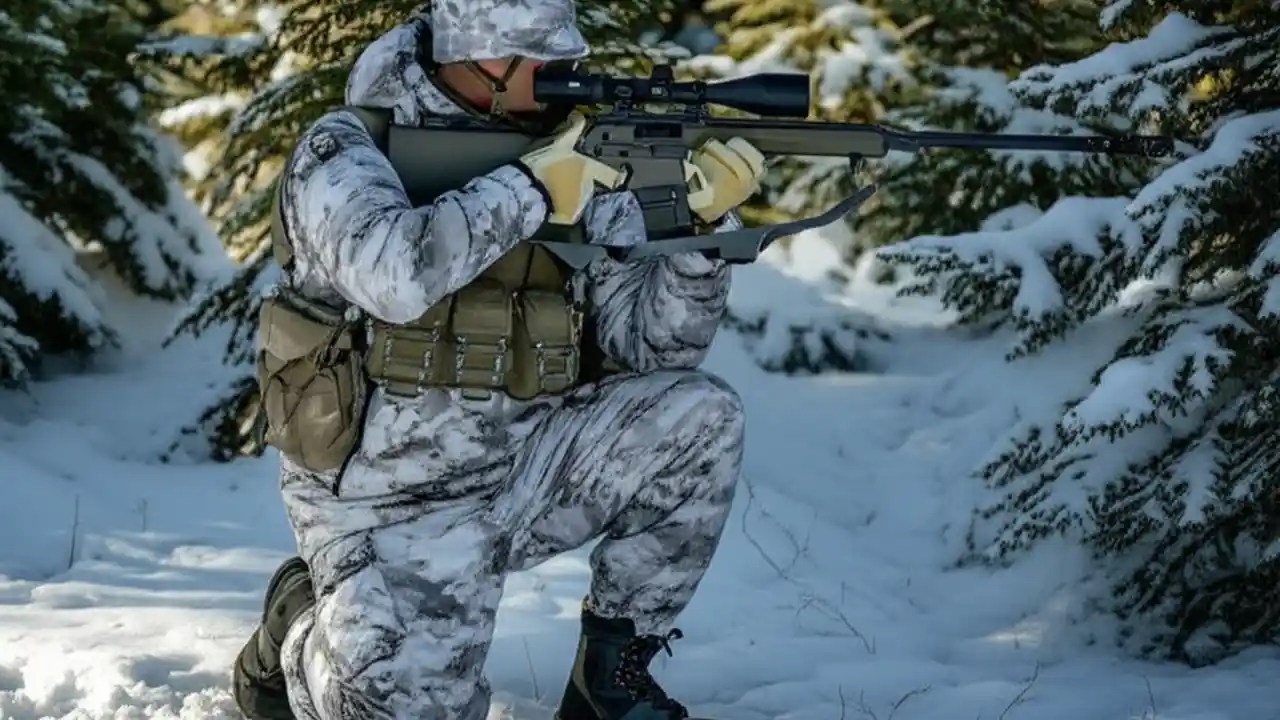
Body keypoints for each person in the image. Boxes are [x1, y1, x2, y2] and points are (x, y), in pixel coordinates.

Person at [232, 1, 766, 718]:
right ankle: (299, 626)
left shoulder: (573, 158)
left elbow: (655, 349)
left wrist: (697, 237)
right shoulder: (348, 150)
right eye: (547, 65)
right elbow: (394, 273)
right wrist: (533, 186)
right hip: (384, 501)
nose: (566, 78)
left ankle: (610, 681)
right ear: (477, 57)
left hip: (527, 468)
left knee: (700, 416)